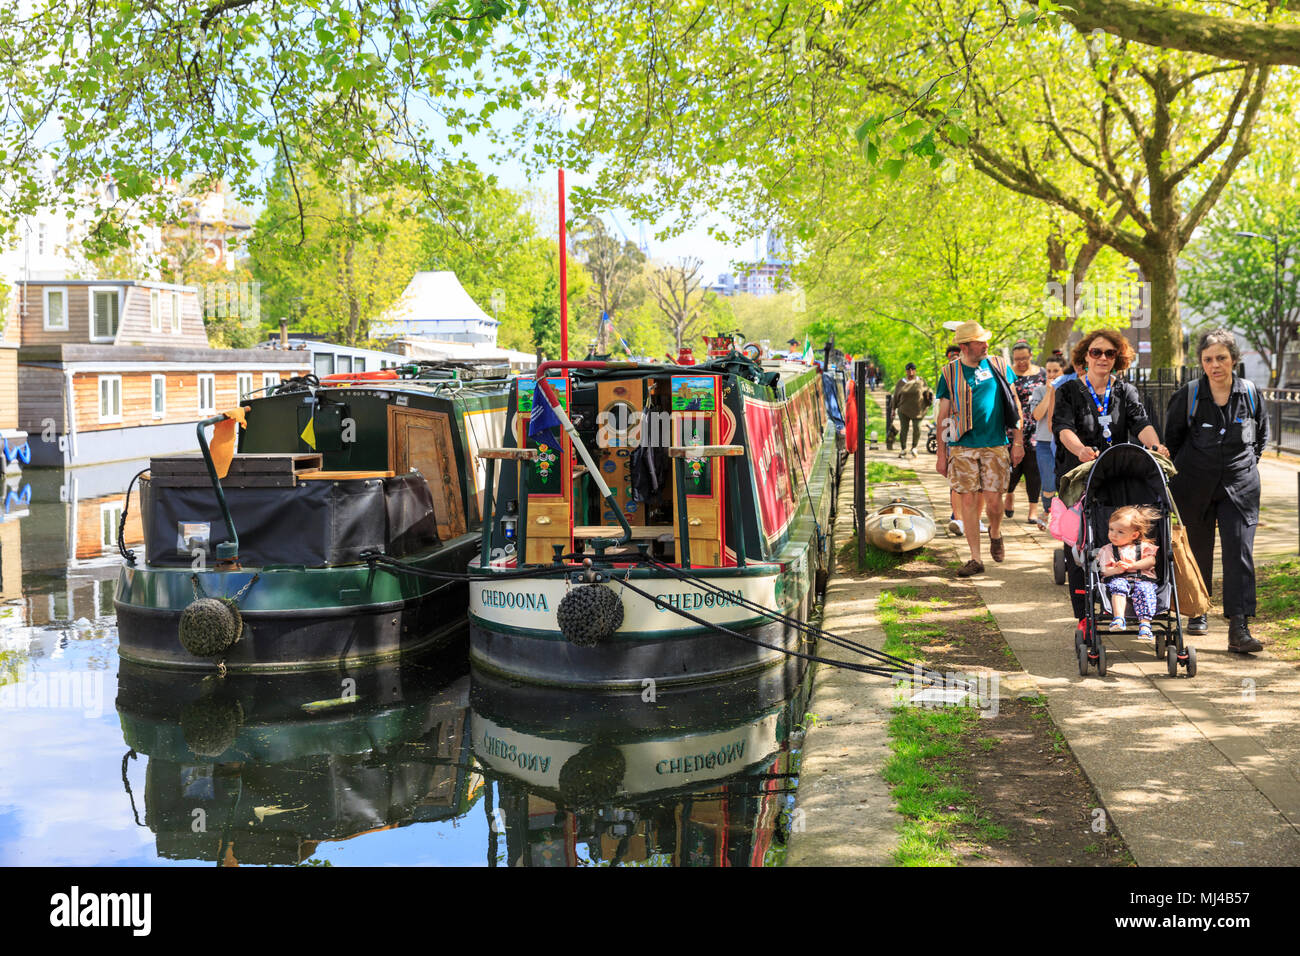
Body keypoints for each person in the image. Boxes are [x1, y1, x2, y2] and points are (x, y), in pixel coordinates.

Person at [1053, 328, 1168, 628]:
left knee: (1121, 536)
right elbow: (1063, 427)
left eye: (1110, 353)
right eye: (1096, 352)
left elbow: (1141, 422)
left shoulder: (1125, 391)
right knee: (1078, 547)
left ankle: (1129, 603)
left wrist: (1154, 446)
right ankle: (1083, 616)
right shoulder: (1067, 391)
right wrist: (1080, 450)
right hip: (1080, 474)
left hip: (1116, 473)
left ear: (1118, 358)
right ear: (1084, 358)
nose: (1103, 358)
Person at [1164, 329, 1269, 653]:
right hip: (1194, 485)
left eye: (1221, 358)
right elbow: (1173, 440)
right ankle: (1198, 611)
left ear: (1233, 360)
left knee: (1239, 552)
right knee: (1197, 548)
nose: (1215, 365)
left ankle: (1239, 626)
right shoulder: (1190, 395)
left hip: (1240, 487)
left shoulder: (1250, 394)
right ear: (1201, 363)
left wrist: (1245, 466)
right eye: (1208, 359)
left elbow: (1261, 437)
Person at [935, 321, 1024, 577]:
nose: (986, 345)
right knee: (968, 502)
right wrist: (942, 454)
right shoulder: (949, 373)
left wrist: (1018, 442)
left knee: (995, 503)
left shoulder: (997, 365)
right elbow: (943, 415)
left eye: (986, 341)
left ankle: (995, 532)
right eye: (980, 342)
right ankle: (975, 558)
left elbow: (1014, 401)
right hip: (961, 446)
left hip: (995, 444)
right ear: (965, 346)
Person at [1099, 505, 1161, 639]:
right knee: (1117, 586)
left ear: (1134, 535)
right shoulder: (1107, 550)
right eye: (1111, 529)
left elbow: (1151, 561)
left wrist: (1131, 565)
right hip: (1119, 579)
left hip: (1143, 580)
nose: (1113, 534)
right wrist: (1117, 569)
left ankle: (1145, 625)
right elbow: (1104, 571)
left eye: (1120, 532)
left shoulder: (1144, 547)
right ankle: (1119, 618)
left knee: (1146, 590)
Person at [1004, 341, 1046, 524]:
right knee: (1013, 466)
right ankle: (1010, 494)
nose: (1021, 362)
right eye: (1017, 359)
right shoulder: (1008, 373)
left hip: (1036, 426)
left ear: (1031, 355)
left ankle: (1033, 509)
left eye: (1024, 358)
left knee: (1033, 468)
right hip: (1013, 425)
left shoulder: (1041, 373)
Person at [1027, 353, 1065, 526]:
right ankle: (1047, 509)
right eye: (1048, 371)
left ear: (1063, 371)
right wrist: (1050, 392)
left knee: (1064, 480)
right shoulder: (1039, 391)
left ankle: (1062, 517)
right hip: (1044, 442)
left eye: (1055, 371)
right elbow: (1037, 415)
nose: (1051, 375)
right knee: (1048, 481)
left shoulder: (1070, 390)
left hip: (1065, 442)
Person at [892, 362, 931, 458]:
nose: (910, 371)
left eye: (912, 369)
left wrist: (929, 395)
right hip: (903, 409)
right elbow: (896, 396)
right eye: (908, 369)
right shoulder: (901, 382)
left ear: (915, 370)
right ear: (906, 371)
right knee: (904, 429)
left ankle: (914, 447)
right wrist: (893, 409)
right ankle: (903, 449)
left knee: (917, 428)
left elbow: (926, 391)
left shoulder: (920, 381)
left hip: (918, 410)